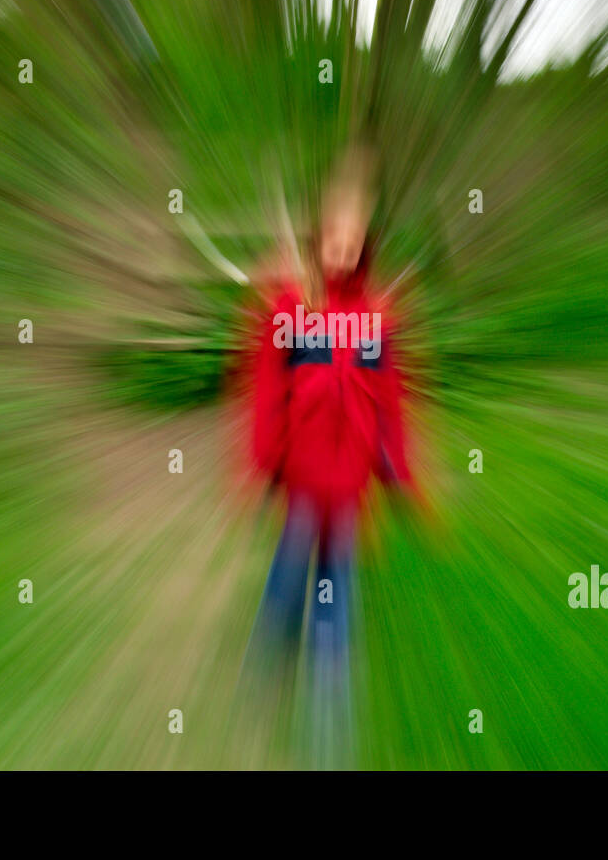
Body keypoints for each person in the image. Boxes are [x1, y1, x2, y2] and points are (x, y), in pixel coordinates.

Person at [241, 145, 414, 766]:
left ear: (365, 242)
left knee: (335, 593)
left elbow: (390, 403)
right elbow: (265, 389)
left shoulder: (374, 318)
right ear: (319, 233)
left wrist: (399, 475)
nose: (343, 246)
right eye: (334, 233)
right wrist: (263, 462)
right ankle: (265, 659)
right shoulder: (291, 307)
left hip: (347, 490)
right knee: (290, 575)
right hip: (302, 482)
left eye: (355, 236)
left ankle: (327, 727)